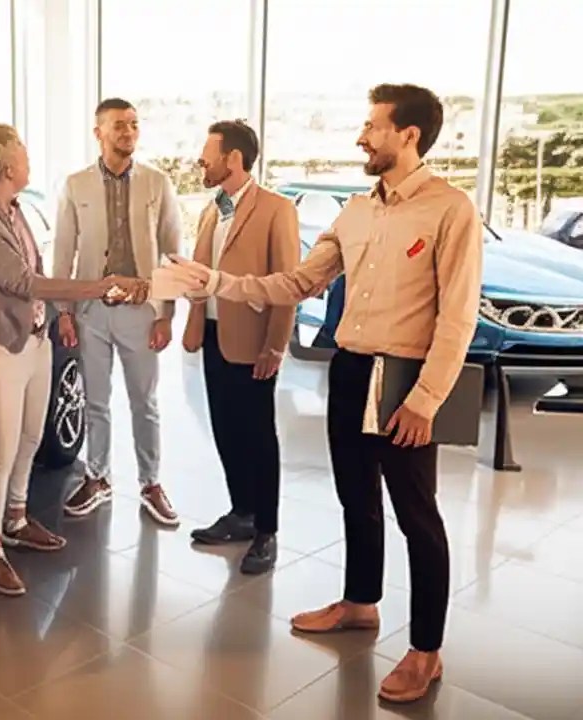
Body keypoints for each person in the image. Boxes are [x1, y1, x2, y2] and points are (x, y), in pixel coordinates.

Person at [168, 84, 482, 703]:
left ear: (408, 135)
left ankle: (425, 650)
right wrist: (218, 282)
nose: (361, 137)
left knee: (418, 515)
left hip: (407, 379)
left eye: (372, 126)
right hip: (350, 367)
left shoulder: (451, 209)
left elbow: (459, 315)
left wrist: (425, 400)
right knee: (355, 498)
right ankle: (361, 603)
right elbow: (299, 282)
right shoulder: (356, 211)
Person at [0, 122, 194, 597]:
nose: (29, 158)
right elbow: (24, 281)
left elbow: (43, 268)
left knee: (30, 438)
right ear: (7, 166)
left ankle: (18, 520)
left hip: (35, 341)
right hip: (1, 348)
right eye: (23, 152)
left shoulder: (13, 209)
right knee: (0, 454)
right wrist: (96, 288)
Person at [52, 98, 183, 526]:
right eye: (119, 126)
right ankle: (98, 477)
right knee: (96, 401)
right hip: (91, 309)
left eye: (134, 125)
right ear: (99, 133)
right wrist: (65, 312)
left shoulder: (157, 183)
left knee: (145, 402)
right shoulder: (75, 185)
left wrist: (165, 313)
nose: (128, 132)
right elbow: (64, 252)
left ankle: (151, 483)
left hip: (142, 310)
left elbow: (172, 251)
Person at [181, 119, 299, 575]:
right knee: (225, 429)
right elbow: (202, 272)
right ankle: (241, 513)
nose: (200, 160)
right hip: (214, 337)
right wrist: (194, 322)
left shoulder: (275, 209)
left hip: (253, 344)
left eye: (207, 152)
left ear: (233, 158)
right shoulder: (212, 209)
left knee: (258, 436)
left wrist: (275, 345)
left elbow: (286, 285)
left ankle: (266, 529)